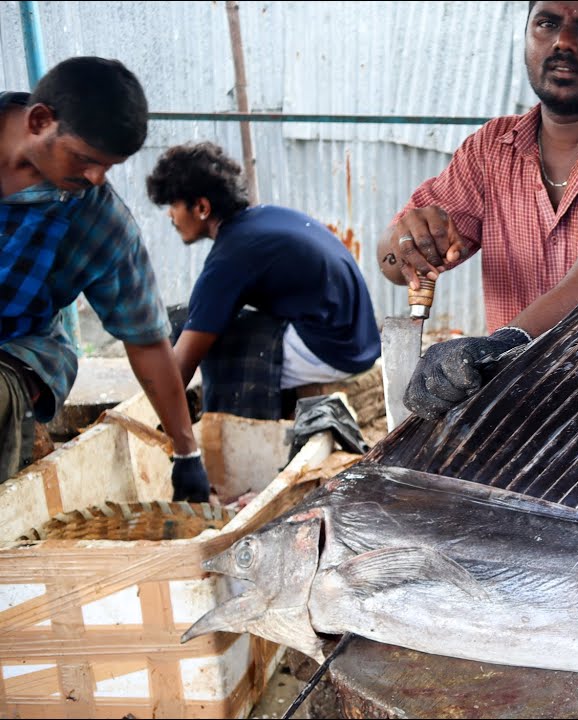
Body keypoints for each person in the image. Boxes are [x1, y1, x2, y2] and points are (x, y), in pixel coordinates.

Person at [378, 0, 578, 420]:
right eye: (547, 23)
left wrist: (511, 341)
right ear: (527, 35)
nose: (563, 42)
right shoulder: (490, 149)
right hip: (514, 414)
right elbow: (391, 262)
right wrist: (408, 242)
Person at [0, 56, 209, 500]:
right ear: (40, 121)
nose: (95, 177)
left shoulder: (101, 220)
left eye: (108, 167)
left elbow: (147, 340)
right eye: (84, 159)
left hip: (15, 348)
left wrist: (187, 455)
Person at [146, 142, 381, 420]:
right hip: (356, 338)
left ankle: (236, 425)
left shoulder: (231, 255)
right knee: (196, 320)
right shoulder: (260, 221)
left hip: (333, 349)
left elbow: (184, 361)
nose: (170, 215)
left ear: (201, 207)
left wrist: (155, 422)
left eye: (173, 205)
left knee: (204, 338)